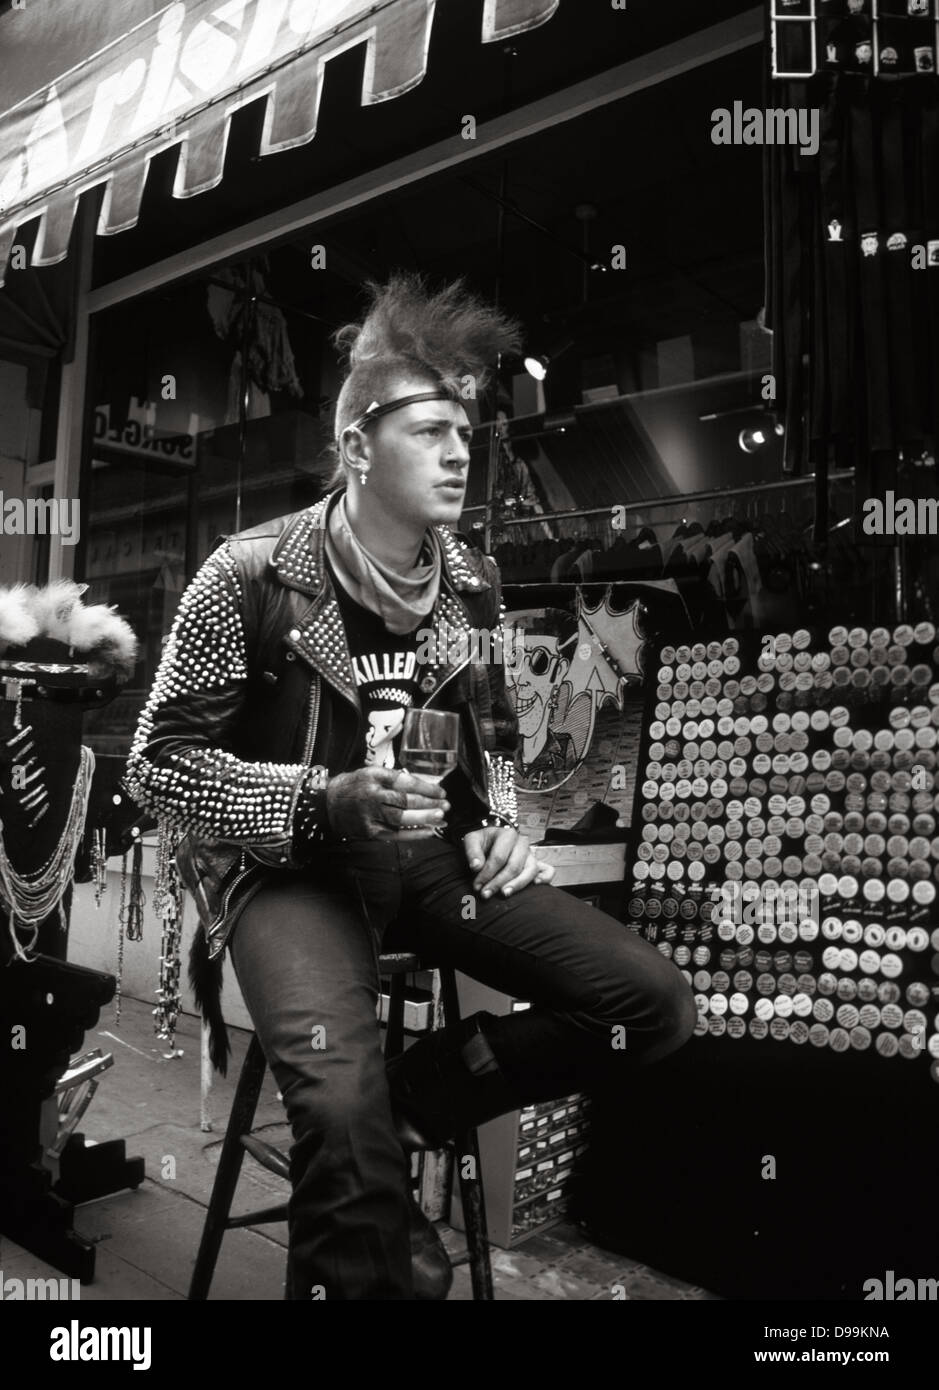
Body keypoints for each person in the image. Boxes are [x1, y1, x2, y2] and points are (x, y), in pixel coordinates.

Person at [126, 272, 696, 1301]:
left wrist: (511, 819)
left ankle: (407, 1107)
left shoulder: (468, 578)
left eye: (464, 434)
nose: (456, 452)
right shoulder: (249, 575)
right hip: (289, 870)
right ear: (356, 445)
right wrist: (319, 800)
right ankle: (365, 1154)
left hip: (429, 858)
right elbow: (155, 764)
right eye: (429, 430)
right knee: (333, 1115)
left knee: (647, 1004)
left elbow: (495, 725)